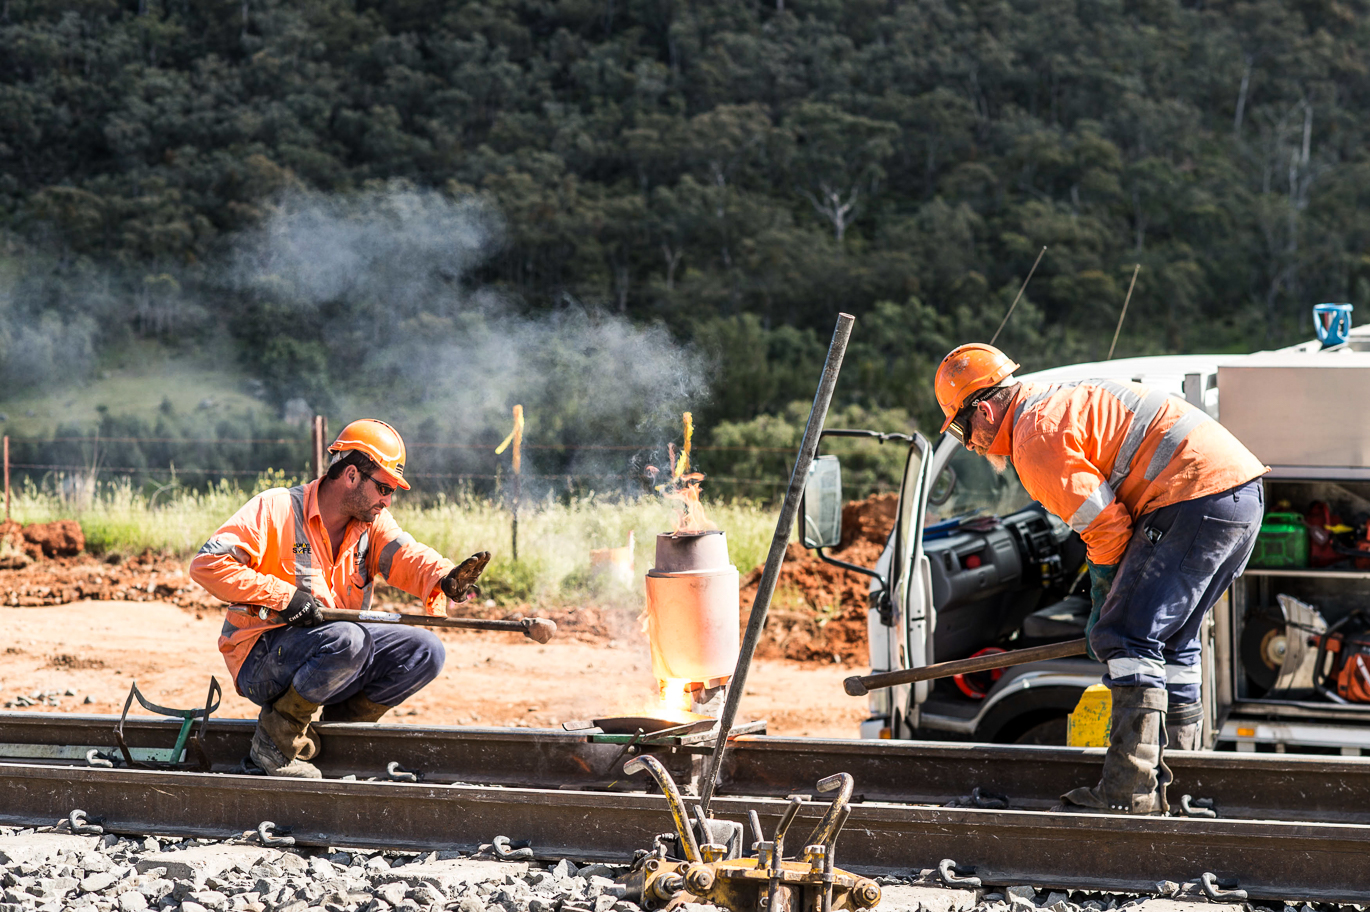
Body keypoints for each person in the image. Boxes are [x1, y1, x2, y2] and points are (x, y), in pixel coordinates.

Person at [933, 343, 1267, 814]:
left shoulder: (1033, 438)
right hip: (1238, 495)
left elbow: (1107, 529)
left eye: (965, 430)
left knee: (1127, 639)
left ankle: (1127, 795)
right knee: (1173, 643)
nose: (970, 444)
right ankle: (1186, 785)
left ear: (984, 408)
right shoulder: (1049, 398)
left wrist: (1105, 607)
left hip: (1192, 493)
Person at [190, 419, 486, 778]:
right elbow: (208, 564)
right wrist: (285, 597)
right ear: (350, 475)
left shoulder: (371, 524)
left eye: (391, 491)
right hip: (262, 660)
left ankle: (338, 735)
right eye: (383, 487)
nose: (387, 499)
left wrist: (445, 576)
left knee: (425, 650)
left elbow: (406, 555)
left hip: (337, 652)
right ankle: (276, 743)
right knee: (349, 637)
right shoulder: (277, 508)